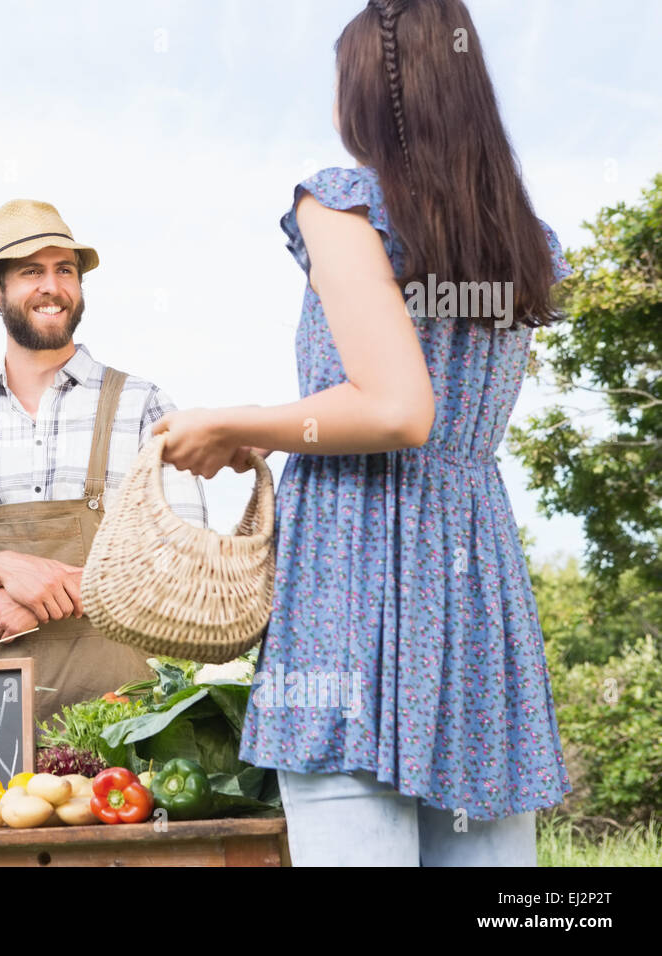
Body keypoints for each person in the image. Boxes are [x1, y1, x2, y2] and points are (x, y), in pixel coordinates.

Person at [152, 0, 573, 865]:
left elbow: (395, 410)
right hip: (472, 576)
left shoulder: (342, 203)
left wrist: (238, 423)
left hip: (356, 574)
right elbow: (430, 412)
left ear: (367, 98)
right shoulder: (522, 243)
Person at [0, 198, 209, 724]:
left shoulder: (142, 406)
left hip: (126, 719)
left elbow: (190, 565)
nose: (52, 286)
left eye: (65, 270)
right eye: (31, 271)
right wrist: (1, 568)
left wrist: (52, 593)